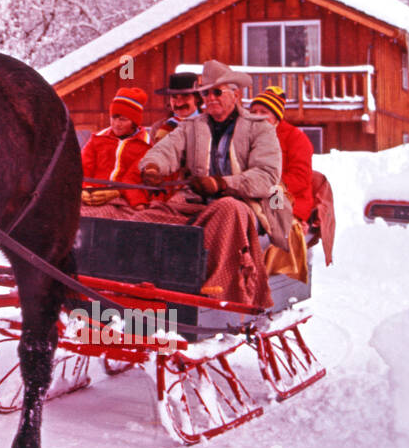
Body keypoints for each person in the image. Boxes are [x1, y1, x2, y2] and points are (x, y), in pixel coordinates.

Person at [108, 58, 298, 309]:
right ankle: (136, 286)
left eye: (217, 91)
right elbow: (165, 150)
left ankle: (216, 288)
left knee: (228, 209)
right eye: (206, 92)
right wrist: (153, 167)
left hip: (248, 205)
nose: (211, 98)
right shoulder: (192, 127)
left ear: (236, 95)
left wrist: (221, 183)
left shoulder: (259, 129)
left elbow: (266, 176)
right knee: (143, 220)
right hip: (196, 203)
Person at [248, 86, 315, 223]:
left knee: (274, 214)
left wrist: (267, 186)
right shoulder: (248, 136)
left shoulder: (295, 137)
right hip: (256, 192)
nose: (258, 116)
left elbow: (300, 178)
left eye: (264, 112)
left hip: (287, 195)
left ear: (276, 116)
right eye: (254, 111)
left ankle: (281, 238)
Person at [81, 87, 151, 207]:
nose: (116, 124)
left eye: (123, 120)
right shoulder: (98, 139)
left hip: (123, 198)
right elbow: (83, 168)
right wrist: (85, 188)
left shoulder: (144, 146)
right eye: (113, 118)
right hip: (92, 194)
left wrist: (117, 192)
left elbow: (134, 179)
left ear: (134, 123)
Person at [149, 70, 202, 143]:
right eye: (174, 97)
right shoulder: (157, 127)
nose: (179, 103)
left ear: (197, 98)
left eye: (185, 96)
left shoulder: (209, 124)